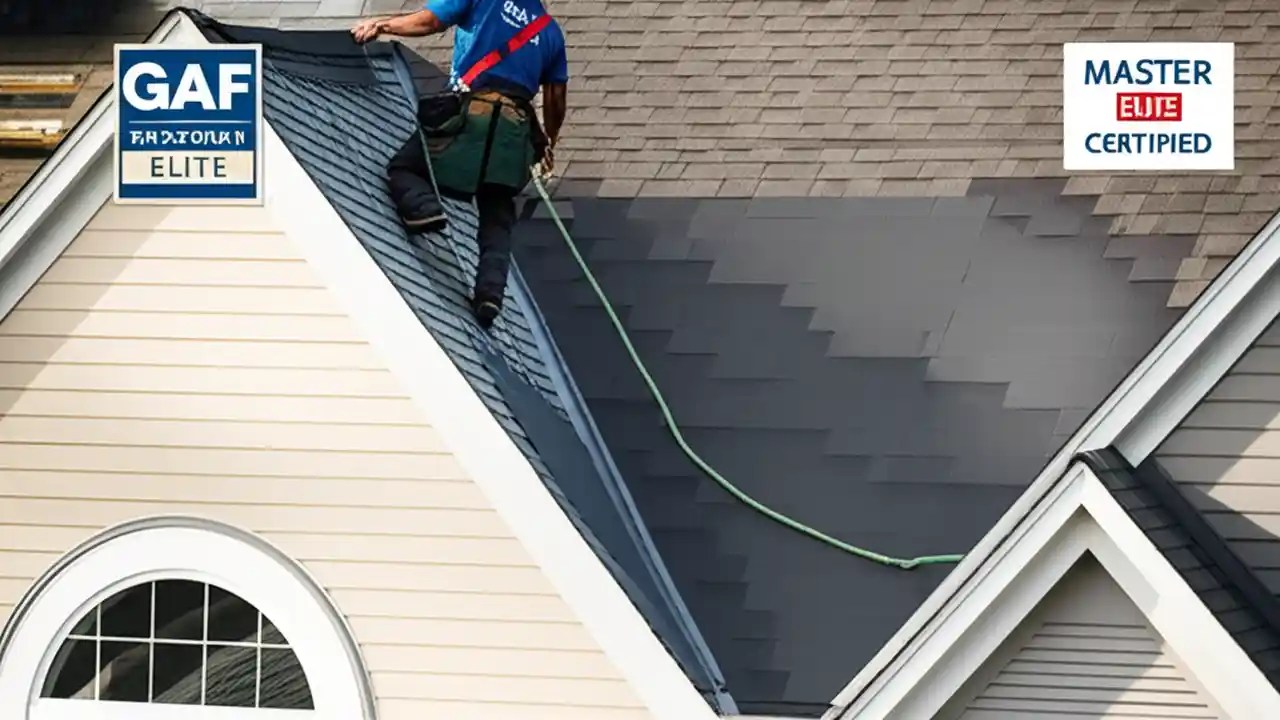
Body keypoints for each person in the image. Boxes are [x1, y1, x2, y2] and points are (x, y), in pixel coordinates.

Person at [351, 0, 568, 329]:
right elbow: (555, 99)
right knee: (498, 212)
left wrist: (382, 26)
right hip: (513, 133)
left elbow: (429, 21)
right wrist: (549, 141)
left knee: (405, 168)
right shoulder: (550, 32)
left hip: (471, 116)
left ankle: (425, 209)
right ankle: (490, 295)